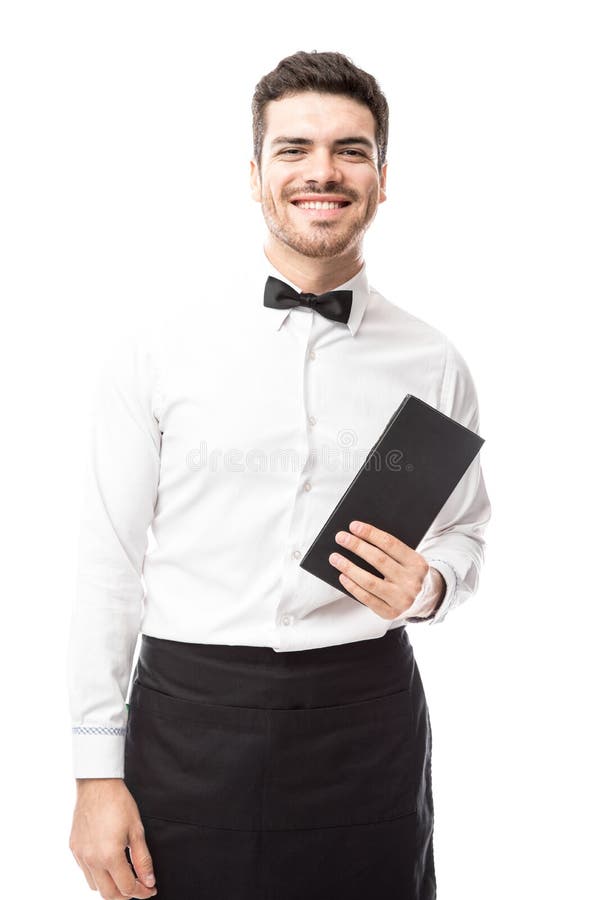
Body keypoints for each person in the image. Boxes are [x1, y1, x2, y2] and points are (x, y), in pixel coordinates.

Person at [67, 50, 491, 900]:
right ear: (256, 172)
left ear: (381, 179)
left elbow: (465, 530)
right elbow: (109, 565)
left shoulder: (434, 361)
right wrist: (94, 774)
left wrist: (431, 586)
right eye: (294, 148)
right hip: (188, 720)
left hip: (368, 724)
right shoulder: (158, 349)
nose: (321, 172)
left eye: (350, 150)